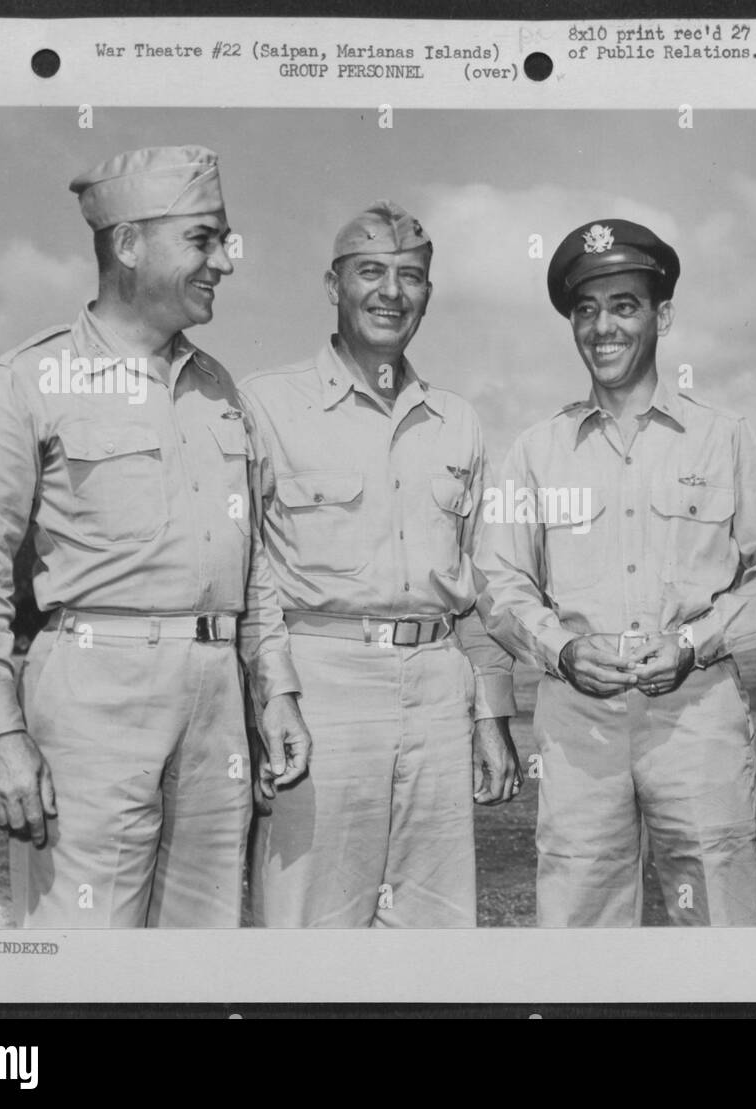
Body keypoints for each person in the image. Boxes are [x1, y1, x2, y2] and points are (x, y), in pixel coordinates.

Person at [0, 145, 311, 927]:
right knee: (82, 948)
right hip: (91, 694)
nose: (224, 262)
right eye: (203, 239)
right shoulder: (30, 380)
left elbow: (254, 562)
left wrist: (277, 691)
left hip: (215, 699)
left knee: (200, 953)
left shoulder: (219, 388)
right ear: (128, 244)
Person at [475, 218, 756, 927]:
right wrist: (559, 648)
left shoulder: (725, 437)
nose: (603, 327)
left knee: (721, 927)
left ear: (662, 315)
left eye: (624, 305)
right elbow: (499, 583)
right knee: (581, 938)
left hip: (699, 715)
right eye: (586, 309)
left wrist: (695, 642)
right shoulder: (536, 452)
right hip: (578, 729)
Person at [242, 200, 520, 928]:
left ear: (429, 294)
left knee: (434, 935)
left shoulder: (458, 421)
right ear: (332, 286)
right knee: (309, 930)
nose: (391, 292)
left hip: (437, 693)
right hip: (322, 689)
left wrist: (491, 712)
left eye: (411, 277)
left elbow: (477, 586)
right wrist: (273, 696)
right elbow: (247, 574)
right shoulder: (265, 406)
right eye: (371, 272)